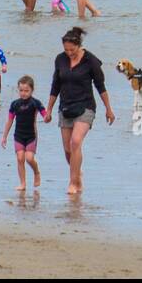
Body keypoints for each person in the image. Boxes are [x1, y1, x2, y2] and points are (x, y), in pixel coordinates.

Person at [43, 26, 114, 197]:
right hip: (65, 107)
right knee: (68, 150)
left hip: (85, 106)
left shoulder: (91, 61)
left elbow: (100, 86)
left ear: (79, 45)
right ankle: (77, 174)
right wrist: (49, 109)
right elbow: (55, 85)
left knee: (76, 142)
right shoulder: (60, 59)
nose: (69, 53)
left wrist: (108, 109)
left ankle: (73, 182)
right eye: (66, 49)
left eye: (72, 49)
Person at [2, 76, 47, 191]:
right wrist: (4, 136)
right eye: (21, 90)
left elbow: (45, 115)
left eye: (26, 91)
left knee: (29, 158)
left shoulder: (35, 103)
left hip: (31, 135)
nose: (23, 93)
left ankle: (36, 172)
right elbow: (10, 121)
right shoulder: (14, 104)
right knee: (20, 158)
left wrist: (48, 117)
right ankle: (22, 183)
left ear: (32, 90)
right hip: (18, 136)